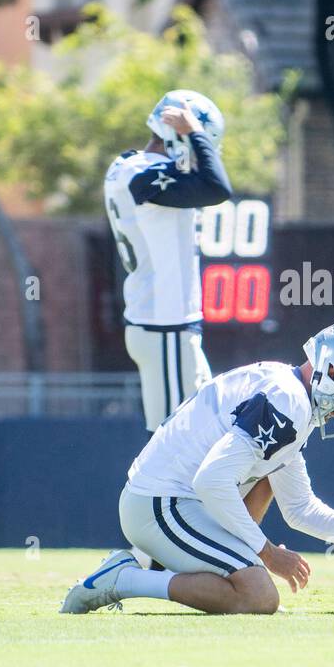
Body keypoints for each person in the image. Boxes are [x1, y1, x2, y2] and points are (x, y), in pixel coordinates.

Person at [60, 322, 334, 615]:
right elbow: (212, 480)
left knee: (265, 489)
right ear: (332, 371)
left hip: (174, 502)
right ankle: (123, 580)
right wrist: (267, 553)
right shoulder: (288, 401)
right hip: (161, 503)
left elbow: (299, 507)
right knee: (258, 596)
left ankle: (147, 566)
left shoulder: (290, 396)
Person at [104, 89, 231, 434]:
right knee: (175, 444)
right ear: (177, 139)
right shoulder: (146, 176)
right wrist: (195, 134)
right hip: (165, 326)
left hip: (163, 325)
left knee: (212, 429)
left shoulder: (127, 167)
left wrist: (191, 137)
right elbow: (218, 187)